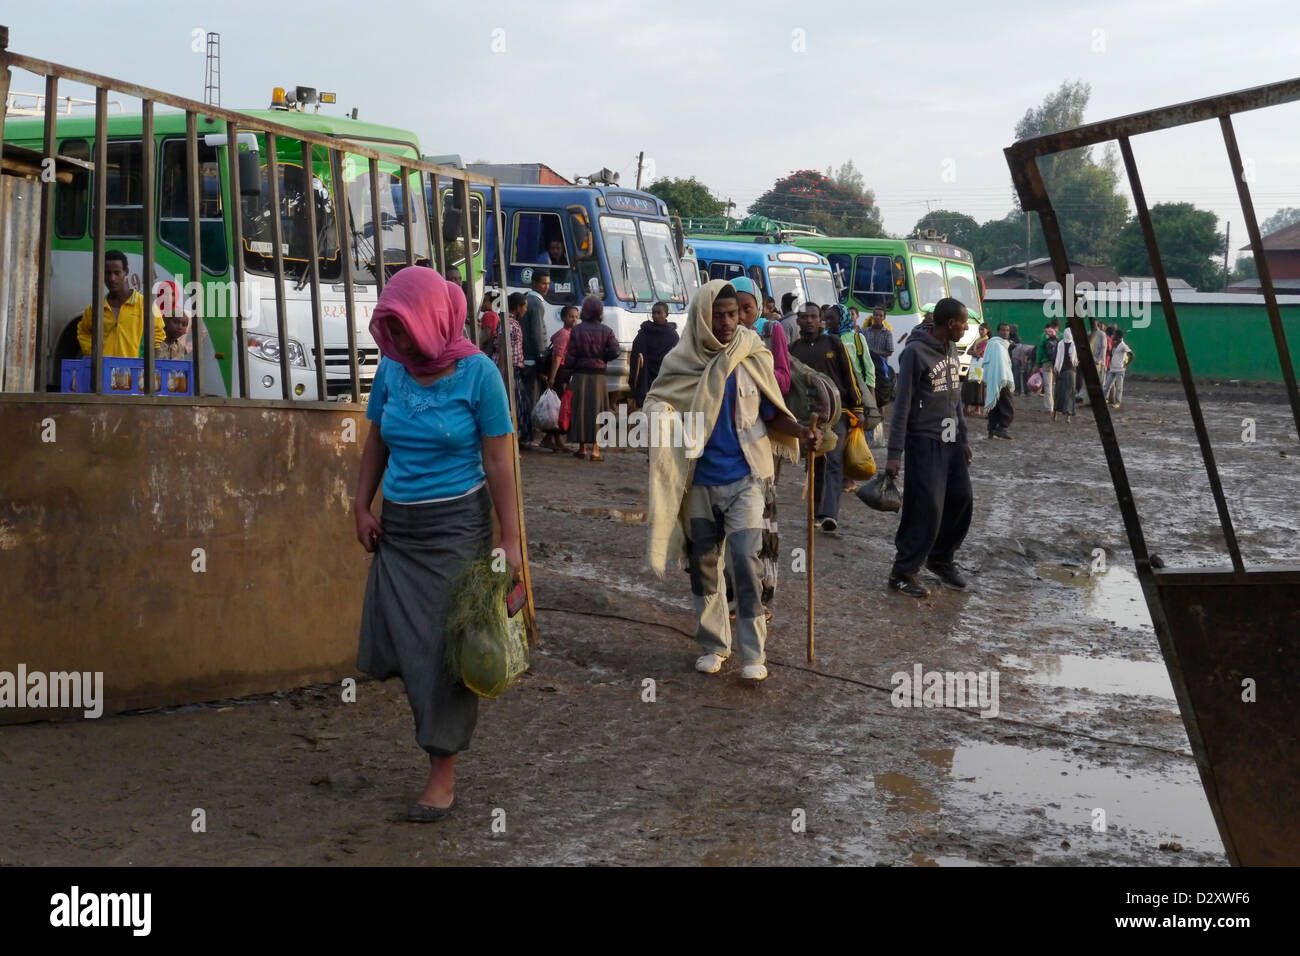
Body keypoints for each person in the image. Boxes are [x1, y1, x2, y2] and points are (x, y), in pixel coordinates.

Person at [352, 266, 521, 823]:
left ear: (431, 320)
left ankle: (441, 775)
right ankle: (431, 730)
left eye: (404, 330)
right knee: (395, 642)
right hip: (399, 532)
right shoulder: (392, 371)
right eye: (390, 330)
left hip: (456, 531)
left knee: (445, 654)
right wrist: (360, 505)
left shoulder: (479, 375)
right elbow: (377, 440)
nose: (396, 342)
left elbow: (499, 461)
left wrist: (510, 539)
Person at [643, 280, 817, 681]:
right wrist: (662, 418)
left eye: (732, 314)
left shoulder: (752, 354)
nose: (724, 322)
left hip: (746, 479)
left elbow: (772, 411)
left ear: (742, 316)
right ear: (702, 315)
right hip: (699, 482)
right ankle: (714, 645)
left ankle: (754, 653)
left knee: (745, 559)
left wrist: (802, 432)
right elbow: (656, 400)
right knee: (705, 567)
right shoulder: (682, 358)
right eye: (716, 315)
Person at [884, 297, 972, 598]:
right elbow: (902, 405)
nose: (967, 327)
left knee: (962, 499)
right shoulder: (914, 352)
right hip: (923, 439)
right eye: (963, 322)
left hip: (951, 440)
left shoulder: (950, 348)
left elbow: (954, 397)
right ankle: (902, 572)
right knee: (926, 508)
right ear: (950, 324)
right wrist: (894, 454)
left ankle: (940, 558)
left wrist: (964, 438)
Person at [790, 301, 864, 533]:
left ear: (820, 319)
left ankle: (829, 514)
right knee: (814, 464)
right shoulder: (793, 351)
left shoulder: (833, 343)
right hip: (808, 415)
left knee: (833, 461)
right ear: (798, 320)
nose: (810, 320)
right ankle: (815, 513)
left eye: (814, 316)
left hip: (837, 413)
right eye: (805, 317)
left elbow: (849, 375)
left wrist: (858, 407)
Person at [77, 250, 166, 360]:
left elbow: (158, 339)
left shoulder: (145, 306)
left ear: (126, 272)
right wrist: (92, 353)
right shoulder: (95, 308)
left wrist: (149, 370)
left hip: (133, 374)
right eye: (107, 273)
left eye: (117, 272)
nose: (112, 278)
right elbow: (83, 332)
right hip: (104, 373)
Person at [563, 295, 619, 461]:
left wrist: (566, 376)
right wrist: (603, 358)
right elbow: (615, 351)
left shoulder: (577, 330)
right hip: (598, 376)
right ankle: (595, 450)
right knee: (597, 411)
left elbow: (570, 356)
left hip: (580, 375)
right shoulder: (607, 331)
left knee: (580, 411)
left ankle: (581, 449)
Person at [628, 301, 680, 409]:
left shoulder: (672, 335)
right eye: (654, 313)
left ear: (666, 314)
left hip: (664, 378)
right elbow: (635, 357)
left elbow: (677, 358)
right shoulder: (644, 333)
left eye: (659, 313)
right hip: (645, 377)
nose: (656, 316)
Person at [542, 305, 580, 453]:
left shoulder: (570, 334)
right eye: (571, 316)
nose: (574, 319)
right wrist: (552, 377)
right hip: (560, 373)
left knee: (560, 408)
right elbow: (557, 357)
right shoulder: (564, 335)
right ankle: (551, 439)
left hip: (564, 373)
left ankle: (554, 439)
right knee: (559, 408)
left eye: (576, 317)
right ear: (563, 317)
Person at [520, 271, 552, 442]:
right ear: (533, 283)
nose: (546, 287)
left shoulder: (526, 299)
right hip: (532, 358)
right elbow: (538, 333)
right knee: (531, 396)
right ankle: (529, 434)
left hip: (523, 357)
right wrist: (542, 357)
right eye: (543, 283)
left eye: (548, 283)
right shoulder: (536, 303)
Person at [983, 324, 1015, 440]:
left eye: (1007, 330)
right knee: (1007, 405)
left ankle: (992, 429)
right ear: (998, 331)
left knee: (996, 405)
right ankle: (1001, 428)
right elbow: (1000, 365)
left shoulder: (999, 344)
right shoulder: (997, 345)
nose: (1005, 332)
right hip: (1002, 379)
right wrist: (1003, 378)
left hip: (996, 378)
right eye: (1003, 330)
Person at [154, 280, 192, 360]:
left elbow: (203, 331)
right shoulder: (153, 312)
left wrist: (186, 348)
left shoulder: (184, 314)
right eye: (165, 294)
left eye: (172, 294)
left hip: (177, 348)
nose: (180, 327)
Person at [1052, 327, 1079, 423]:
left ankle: (1055, 414)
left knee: (1058, 394)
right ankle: (1068, 417)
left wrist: (1056, 371)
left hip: (1060, 372)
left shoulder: (1059, 344)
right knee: (1070, 394)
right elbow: (1075, 361)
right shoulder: (1074, 345)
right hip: (1071, 373)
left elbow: (1054, 358)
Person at [1035, 319, 1061, 414]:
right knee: (1057, 384)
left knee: (1047, 385)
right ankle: (1058, 406)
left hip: (1046, 362)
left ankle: (1049, 407)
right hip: (1058, 363)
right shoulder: (1061, 335)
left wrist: (1038, 363)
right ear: (1059, 326)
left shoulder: (1044, 335)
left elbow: (1040, 349)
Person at [1104, 329, 1134, 408]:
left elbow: (1132, 355)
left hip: (1120, 370)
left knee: (1119, 387)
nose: (1113, 335)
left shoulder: (1123, 346)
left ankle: (1117, 403)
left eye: (1115, 334)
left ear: (1118, 336)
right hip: (1112, 369)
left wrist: (1126, 364)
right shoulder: (1115, 344)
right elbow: (1111, 354)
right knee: (1107, 385)